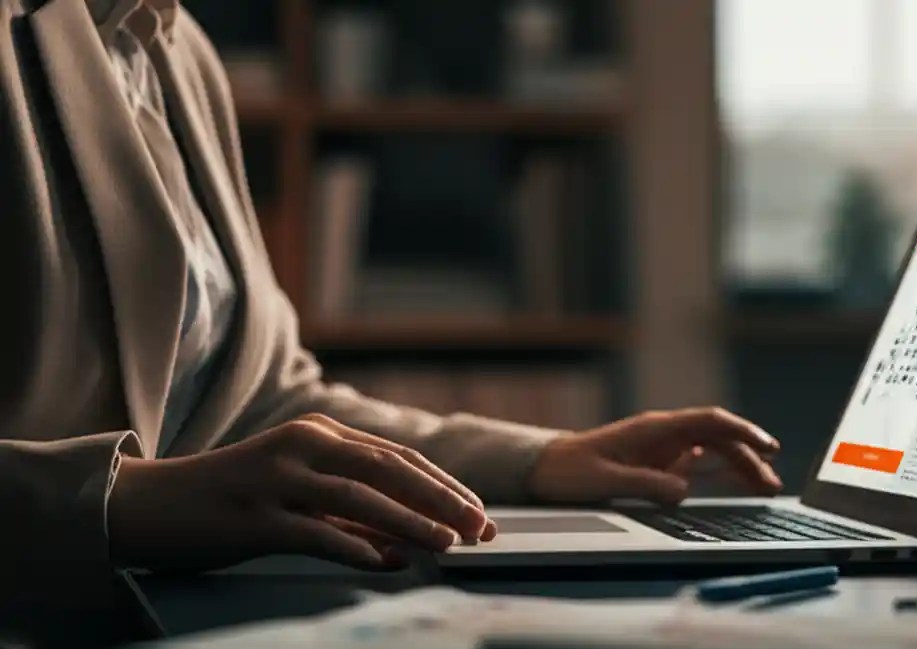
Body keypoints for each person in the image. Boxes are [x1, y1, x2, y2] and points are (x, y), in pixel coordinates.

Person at [0, 0, 782, 610]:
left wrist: (541, 461)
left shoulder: (172, 43)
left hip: (160, 623)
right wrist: (124, 502)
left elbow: (265, 401)